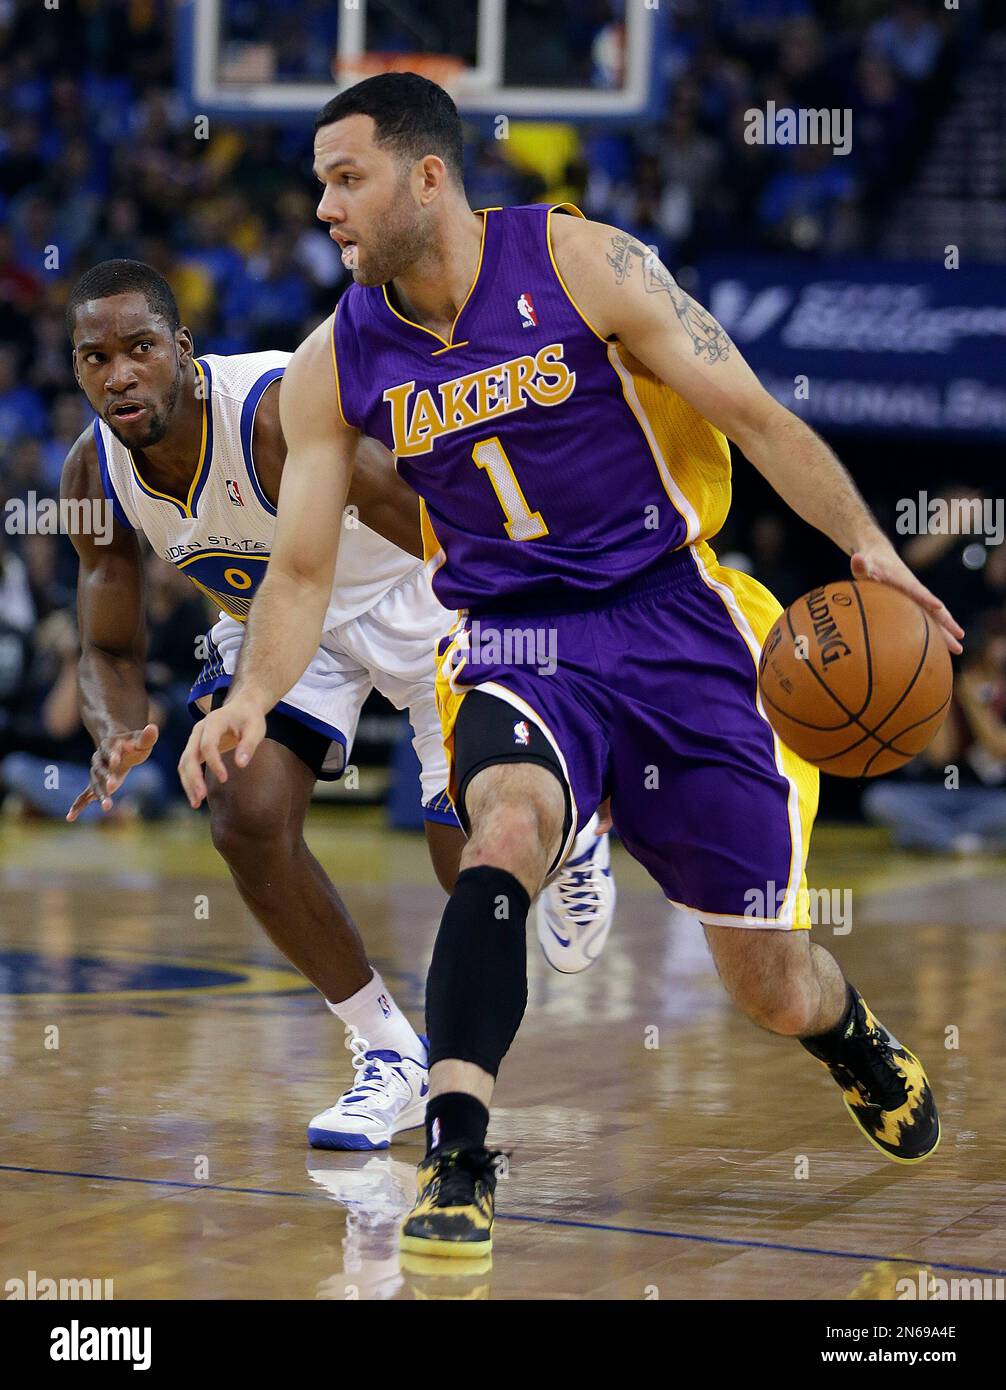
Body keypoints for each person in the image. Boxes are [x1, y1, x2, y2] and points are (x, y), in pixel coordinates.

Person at [178, 74, 963, 1257]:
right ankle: (459, 1151)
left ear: (426, 175)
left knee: (769, 985)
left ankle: (842, 1028)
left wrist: (865, 545)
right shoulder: (334, 363)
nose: (325, 208)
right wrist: (247, 698)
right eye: (319, 186)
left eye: (348, 179)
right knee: (500, 835)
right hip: (510, 636)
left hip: (676, 618)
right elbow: (295, 576)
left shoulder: (586, 263)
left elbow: (751, 414)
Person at [63, 259, 614, 1150]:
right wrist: (116, 730)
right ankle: (389, 1053)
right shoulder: (95, 475)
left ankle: (570, 831)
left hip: (420, 600)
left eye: (140, 348)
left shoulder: (275, 414)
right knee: (244, 812)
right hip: (290, 624)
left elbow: (435, 519)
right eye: (96, 357)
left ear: (184, 351)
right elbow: (107, 643)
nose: (120, 373)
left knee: (469, 869)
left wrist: (528, 637)